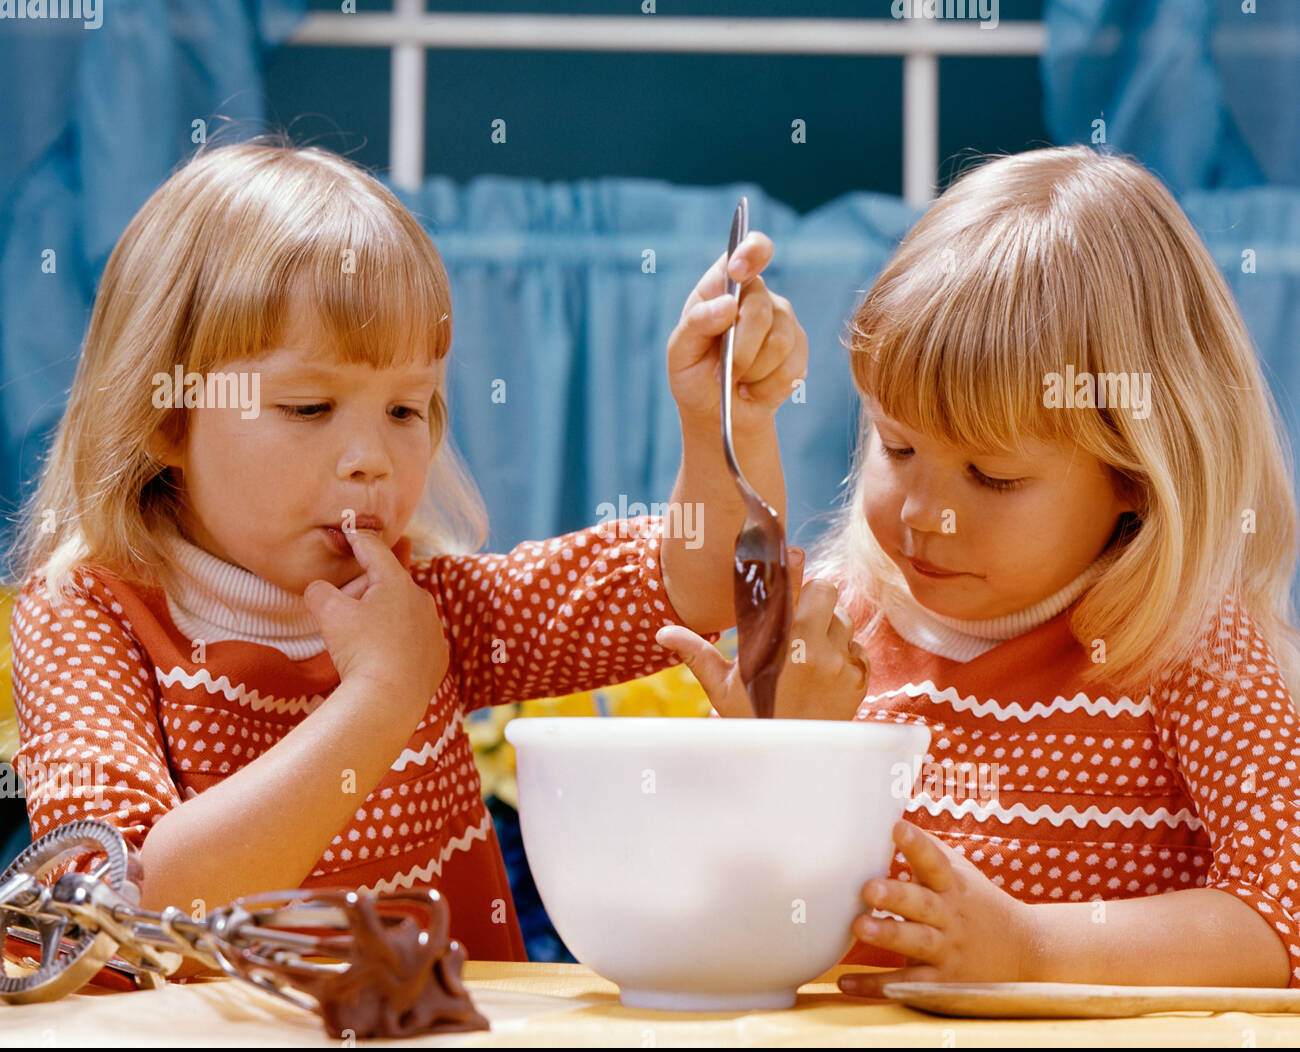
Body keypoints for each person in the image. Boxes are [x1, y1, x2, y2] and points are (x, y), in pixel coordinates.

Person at [7, 139, 807, 965]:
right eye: (311, 405)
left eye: (405, 408)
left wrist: (727, 421)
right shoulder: (87, 619)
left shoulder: (431, 603)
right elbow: (122, 916)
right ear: (166, 418)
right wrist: (384, 694)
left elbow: (713, 584)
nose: (373, 458)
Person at [659, 145, 1300, 991]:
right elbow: (712, 916)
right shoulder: (837, 623)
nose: (926, 511)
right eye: (898, 445)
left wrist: (1032, 952)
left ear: (1137, 480)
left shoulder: (1193, 649)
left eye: (992, 477)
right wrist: (782, 752)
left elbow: (1279, 914)